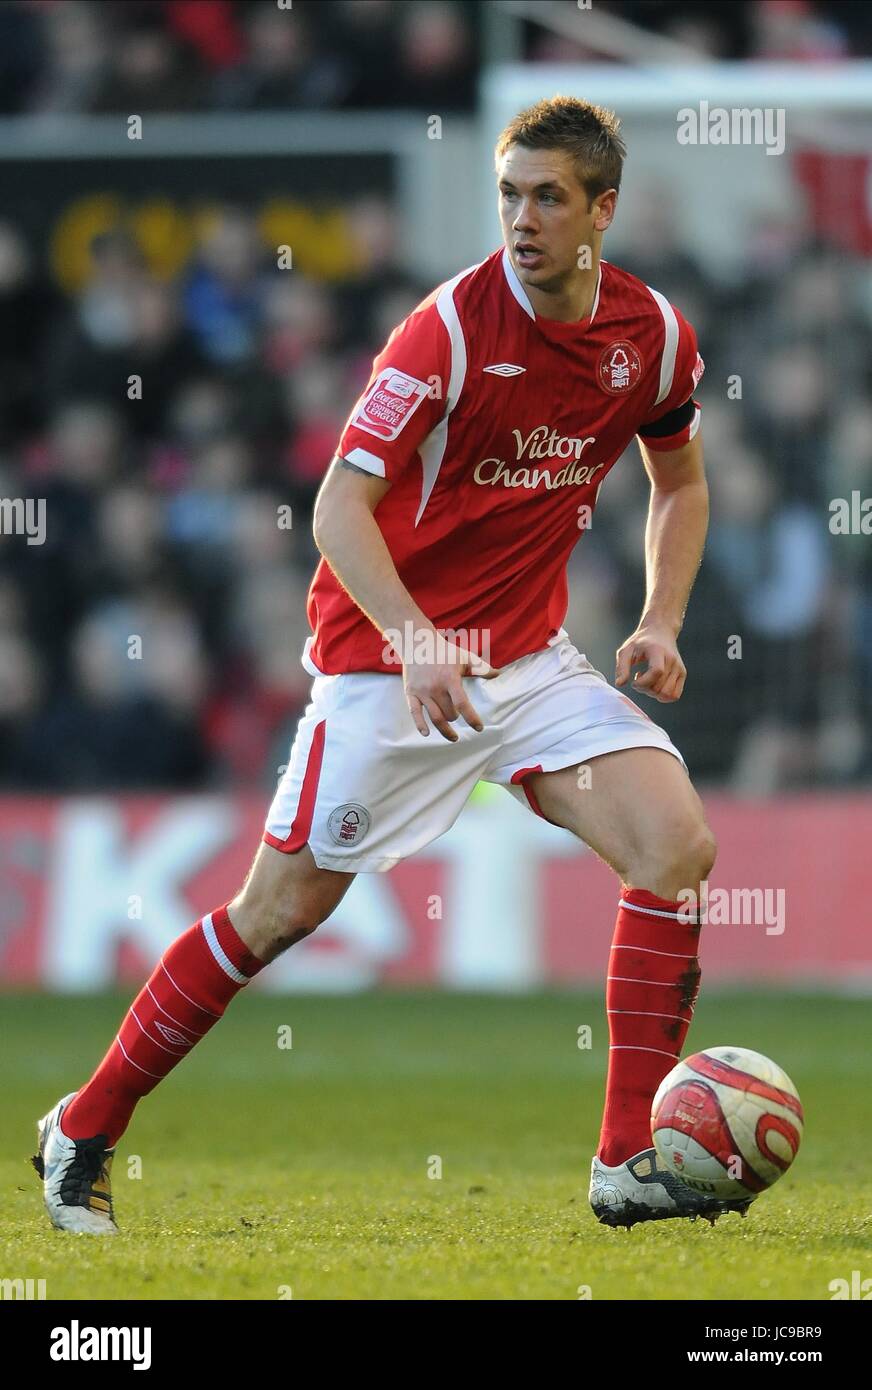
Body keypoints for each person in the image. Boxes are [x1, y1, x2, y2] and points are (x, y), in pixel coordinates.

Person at [34, 96, 751, 1233]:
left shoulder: (652, 336)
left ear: (601, 211)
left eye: (547, 198)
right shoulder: (450, 329)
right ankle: (84, 1123)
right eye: (508, 194)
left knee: (676, 848)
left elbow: (681, 484)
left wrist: (661, 617)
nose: (520, 218)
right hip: (384, 665)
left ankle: (622, 1162)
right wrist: (416, 636)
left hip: (527, 666)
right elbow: (335, 508)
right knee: (270, 914)